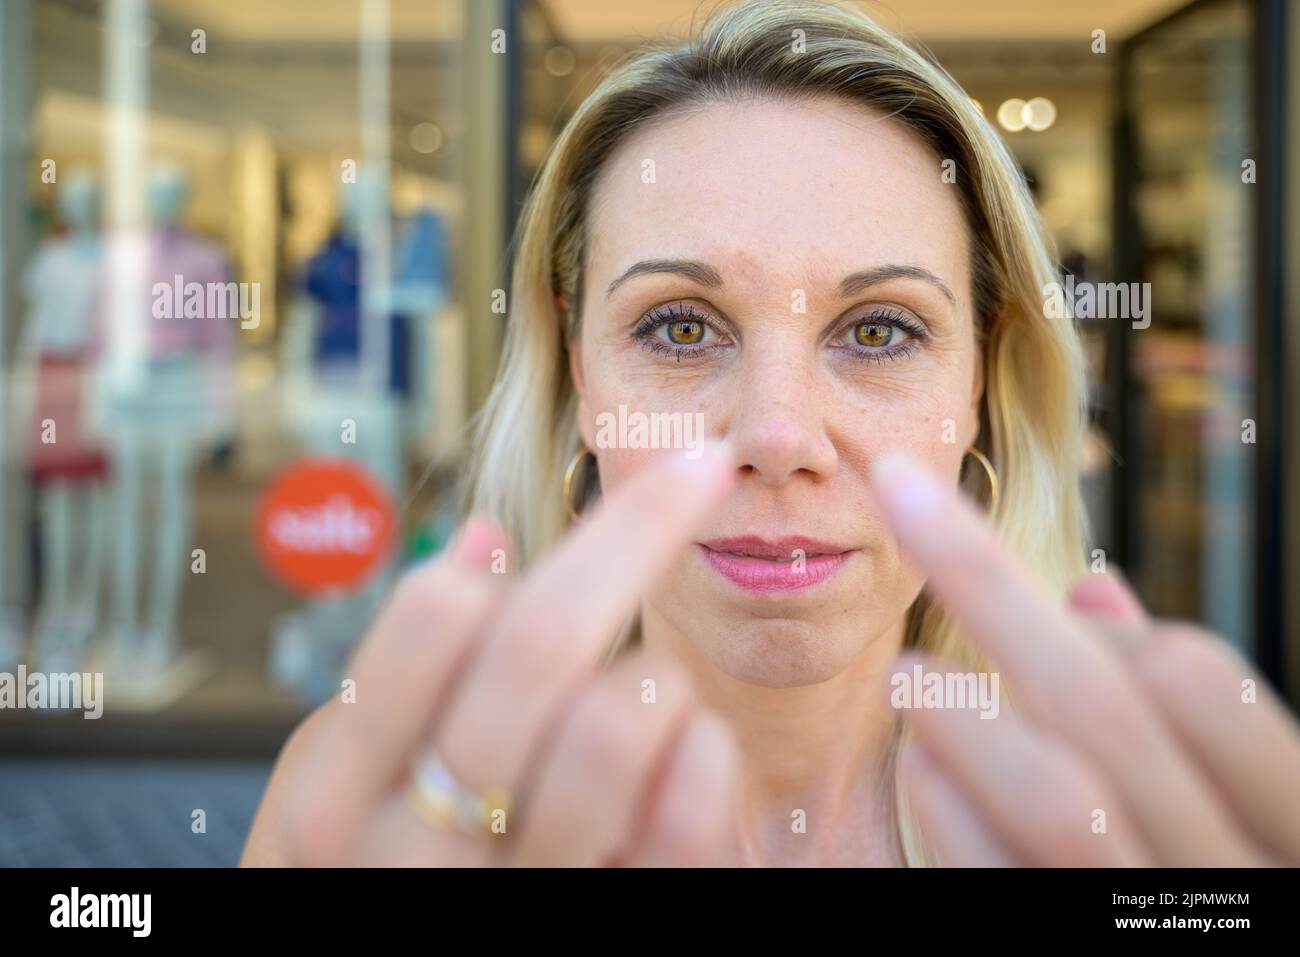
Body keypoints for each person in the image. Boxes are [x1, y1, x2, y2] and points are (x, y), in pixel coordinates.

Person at [241, 0, 1300, 867]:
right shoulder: (372, 815)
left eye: (879, 330)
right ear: (578, 374)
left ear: (981, 381)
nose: (779, 433)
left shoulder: (1136, 841)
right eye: (681, 327)